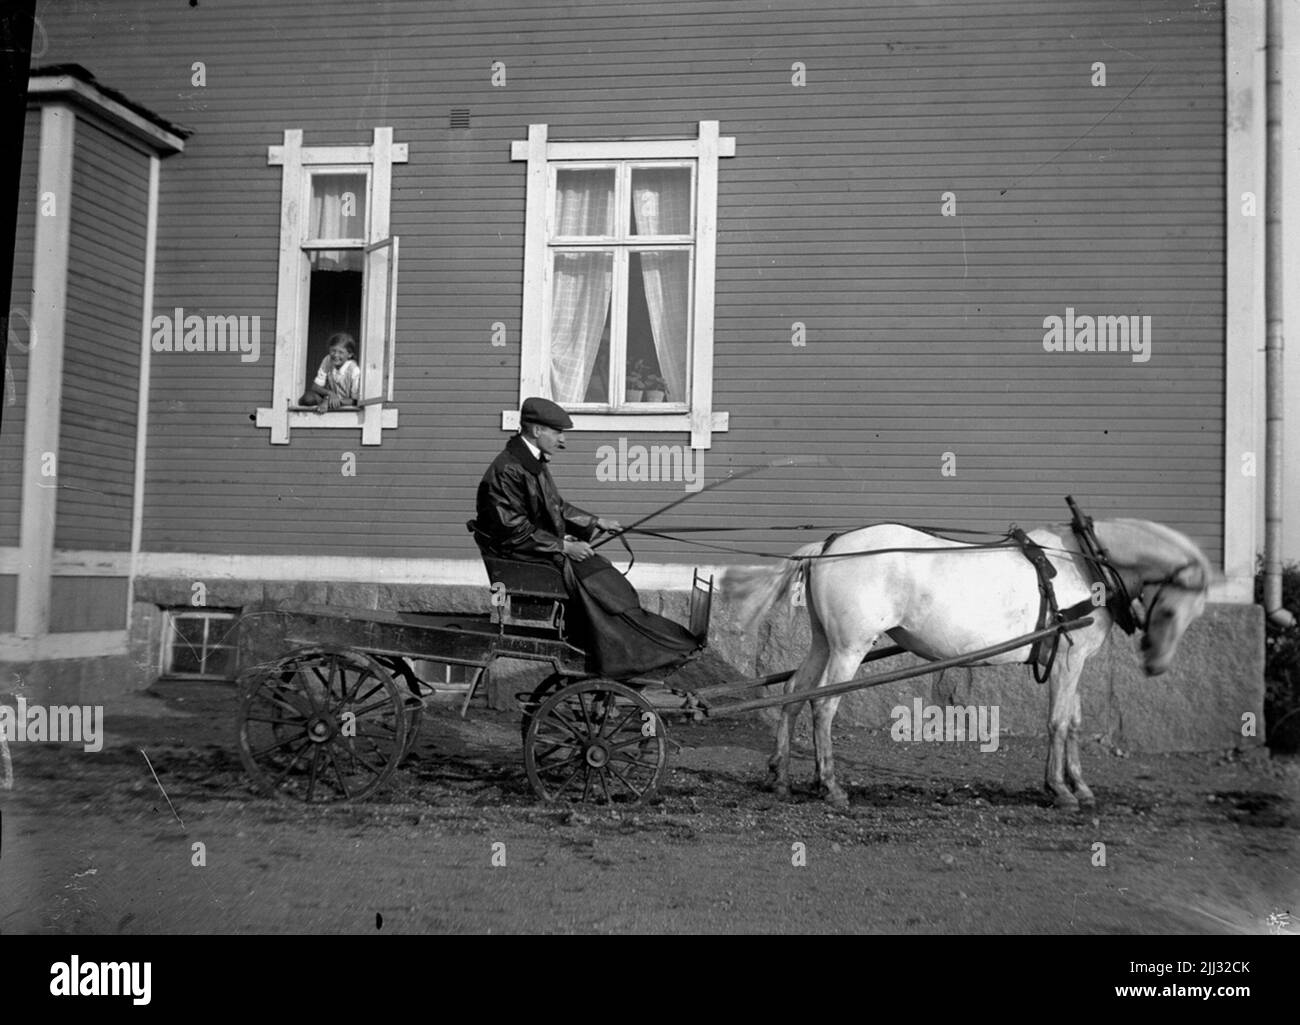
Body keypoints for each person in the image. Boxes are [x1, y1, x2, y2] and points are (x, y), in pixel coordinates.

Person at [469, 396, 701, 678]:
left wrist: (595, 521)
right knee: (600, 584)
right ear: (536, 430)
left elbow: (555, 506)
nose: (562, 439)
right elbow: (512, 529)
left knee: (602, 572)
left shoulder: (529, 462)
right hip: (525, 557)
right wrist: (565, 546)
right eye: (557, 432)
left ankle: (640, 643)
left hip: (537, 552)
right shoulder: (508, 469)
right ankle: (628, 654)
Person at [298, 333, 361, 412]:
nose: (335, 355)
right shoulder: (328, 360)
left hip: (345, 405)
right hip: (327, 400)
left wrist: (331, 402)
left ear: (349, 355)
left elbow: (355, 400)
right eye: (333, 350)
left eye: (341, 352)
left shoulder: (354, 370)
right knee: (308, 398)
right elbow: (315, 386)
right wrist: (330, 393)